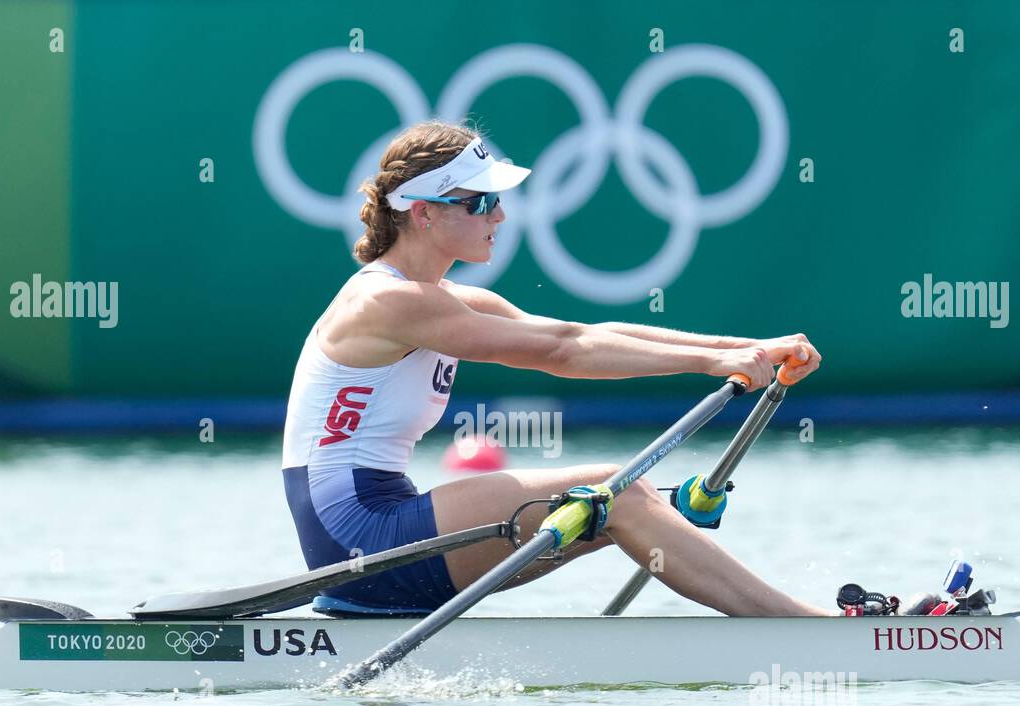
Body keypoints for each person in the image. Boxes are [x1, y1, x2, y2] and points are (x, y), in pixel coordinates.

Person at [282, 120, 832, 617]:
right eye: (479, 202)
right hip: (357, 536)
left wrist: (751, 347)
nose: (498, 214)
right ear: (423, 212)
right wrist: (715, 362)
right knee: (621, 495)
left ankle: (785, 619)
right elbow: (562, 353)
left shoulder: (441, 298)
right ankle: (809, 629)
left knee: (636, 504)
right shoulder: (388, 302)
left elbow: (582, 334)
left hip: (375, 526)